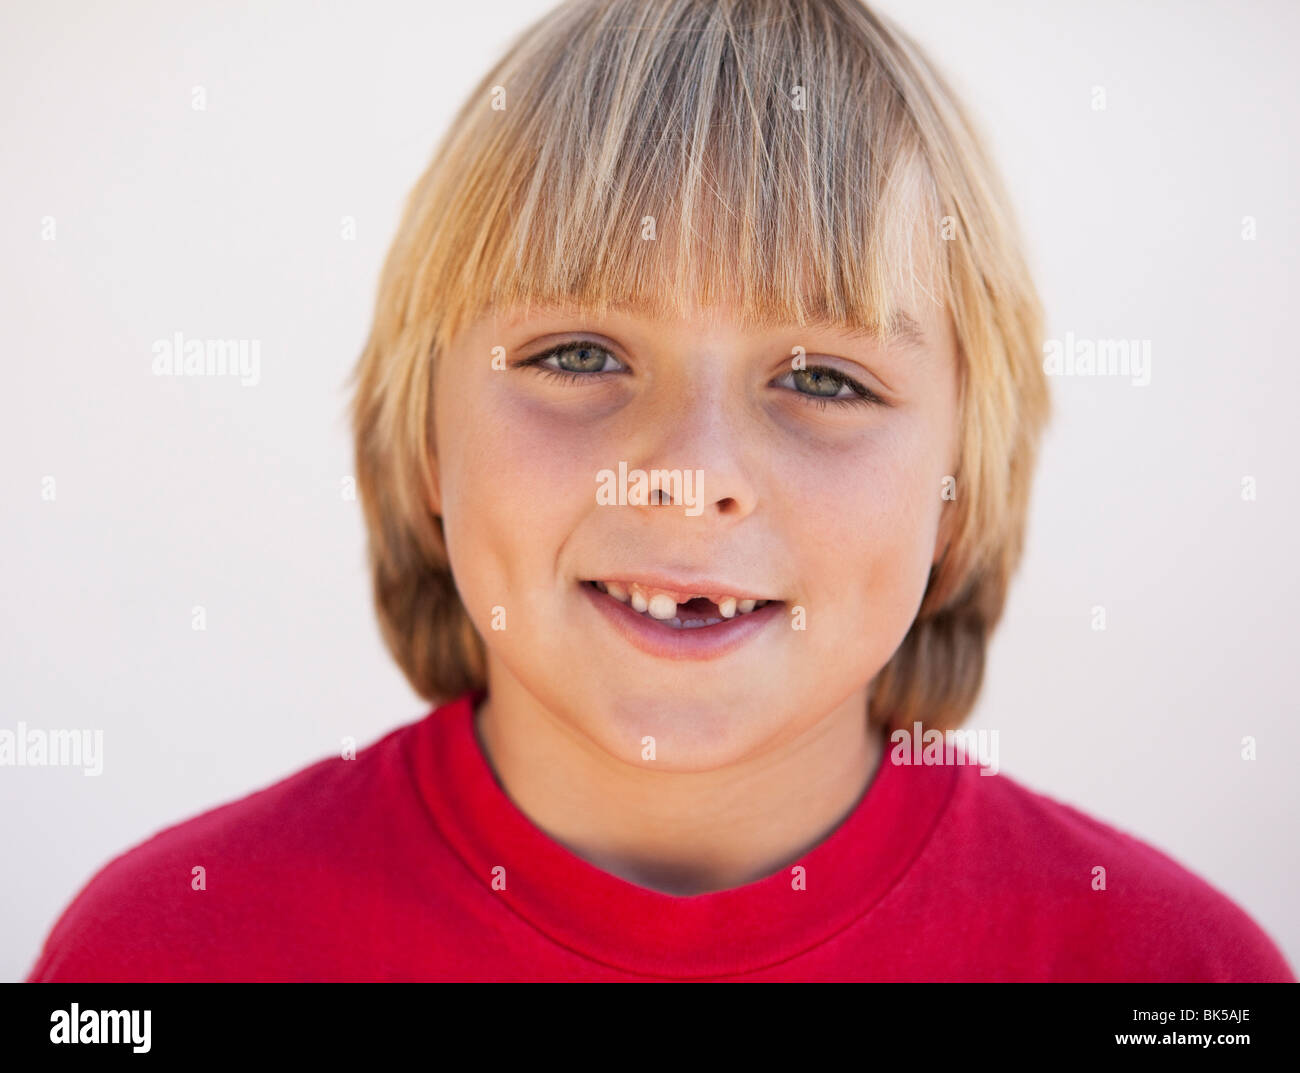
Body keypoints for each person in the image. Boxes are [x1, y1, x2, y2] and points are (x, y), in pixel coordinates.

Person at [27, 0, 1295, 982]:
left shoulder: (1169, 973)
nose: (689, 473)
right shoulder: (166, 952)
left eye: (823, 378)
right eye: (578, 355)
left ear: (959, 495)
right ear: (424, 445)